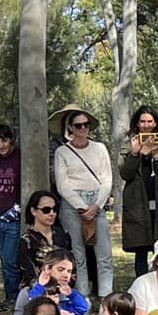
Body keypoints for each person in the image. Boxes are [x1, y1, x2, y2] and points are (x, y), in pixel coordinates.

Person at [52, 106, 116, 299]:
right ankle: (82, 298)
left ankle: (107, 297)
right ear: (70, 128)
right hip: (73, 205)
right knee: (77, 256)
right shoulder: (62, 152)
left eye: (86, 125)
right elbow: (63, 184)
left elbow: (107, 179)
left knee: (104, 255)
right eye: (78, 126)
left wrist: (96, 206)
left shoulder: (99, 148)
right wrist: (81, 207)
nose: (83, 129)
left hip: (97, 201)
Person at [117, 107, 158, 288]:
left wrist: (157, 155)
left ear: (155, 123)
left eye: (150, 121)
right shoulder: (128, 144)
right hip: (137, 205)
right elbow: (126, 174)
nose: (146, 125)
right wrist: (135, 153)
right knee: (141, 249)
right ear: (137, 123)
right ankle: (142, 286)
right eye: (142, 121)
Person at [0, 122, 25, 312]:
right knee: (4, 260)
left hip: (15, 216)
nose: (1, 145)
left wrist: (18, 208)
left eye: (4, 140)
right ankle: (9, 294)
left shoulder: (20, 157)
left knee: (11, 260)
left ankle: (15, 298)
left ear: (11, 140)